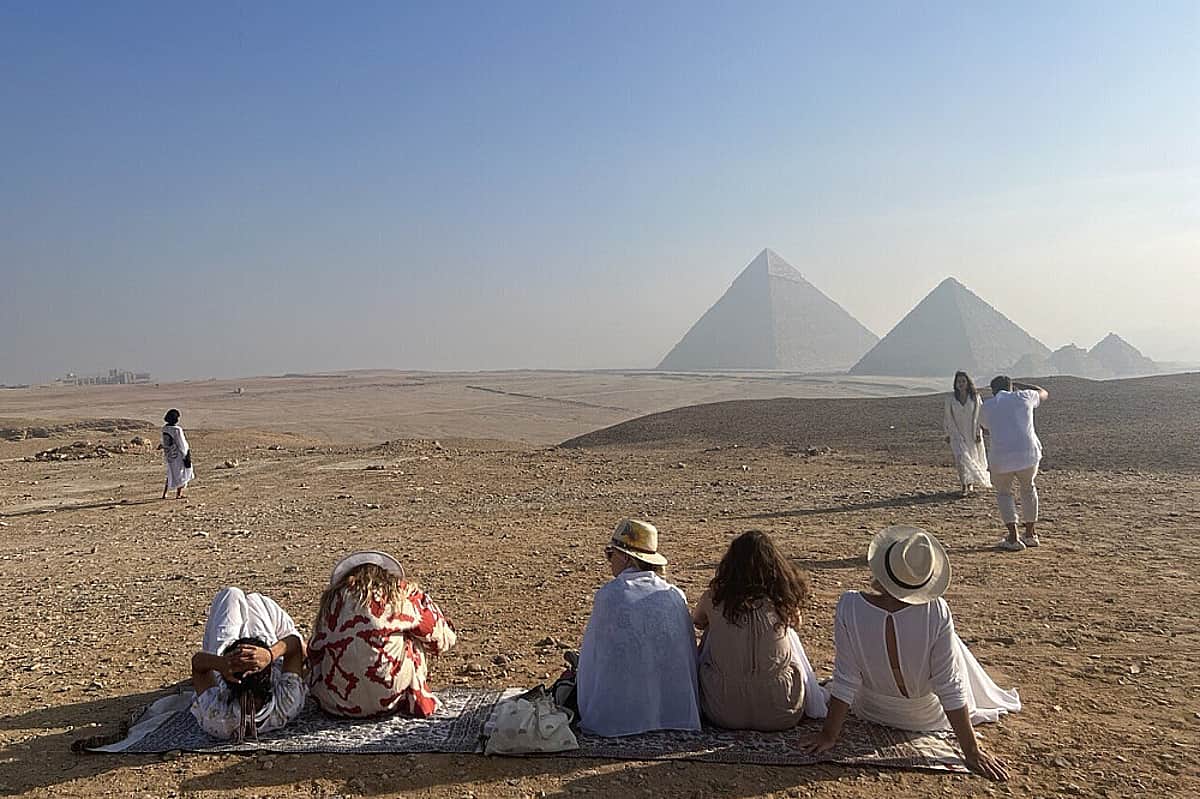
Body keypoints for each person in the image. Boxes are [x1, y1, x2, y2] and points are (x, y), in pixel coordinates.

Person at [799, 526, 1020, 781]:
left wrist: (829, 735)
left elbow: (847, 677)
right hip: (924, 718)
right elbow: (948, 684)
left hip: (870, 709)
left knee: (943, 643)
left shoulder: (849, 605)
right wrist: (971, 751)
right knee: (951, 647)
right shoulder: (935, 610)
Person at [576, 519, 701, 737]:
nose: (609, 561)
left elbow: (593, 662)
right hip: (674, 708)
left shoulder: (610, 595)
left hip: (618, 711)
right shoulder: (674, 594)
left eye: (610, 554)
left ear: (625, 557)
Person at [692, 530, 827, 730]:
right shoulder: (781, 599)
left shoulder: (715, 597)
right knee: (786, 632)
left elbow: (698, 621)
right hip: (782, 711)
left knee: (714, 630)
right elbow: (796, 623)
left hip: (722, 711)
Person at [308, 551, 457, 718]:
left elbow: (315, 649)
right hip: (391, 698)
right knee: (411, 635)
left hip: (338, 702)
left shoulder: (333, 600)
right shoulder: (398, 595)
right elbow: (440, 641)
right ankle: (411, 691)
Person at [190, 587, 306, 742]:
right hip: (260, 657)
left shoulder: (218, 717)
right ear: (270, 674)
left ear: (227, 678)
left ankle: (240, 644)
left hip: (237, 664)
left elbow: (197, 663)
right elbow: (294, 644)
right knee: (256, 602)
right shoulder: (286, 703)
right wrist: (270, 654)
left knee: (231, 594)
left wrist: (221, 663)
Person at [981, 376, 1049, 551]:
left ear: (993, 390)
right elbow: (1043, 393)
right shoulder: (1024, 396)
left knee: (1004, 493)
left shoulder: (987, 406)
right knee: (1028, 488)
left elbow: (985, 428)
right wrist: (1020, 385)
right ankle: (1030, 533)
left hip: (1001, 456)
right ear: (1011, 387)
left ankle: (1013, 537)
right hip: (1028, 454)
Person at [944, 371, 991, 497]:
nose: (961, 384)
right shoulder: (950, 399)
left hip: (972, 433)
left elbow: (980, 414)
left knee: (973, 457)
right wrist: (948, 433)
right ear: (955, 383)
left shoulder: (975, 398)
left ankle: (970, 483)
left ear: (968, 382)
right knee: (961, 459)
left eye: (963, 381)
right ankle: (964, 485)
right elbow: (947, 417)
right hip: (956, 433)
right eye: (958, 381)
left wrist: (981, 430)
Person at [160, 408, 194, 499]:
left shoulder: (164, 429)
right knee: (181, 473)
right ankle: (179, 494)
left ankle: (165, 493)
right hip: (178, 455)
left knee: (171, 473)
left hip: (169, 455)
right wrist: (186, 454)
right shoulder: (177, 430)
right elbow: (181, 443)